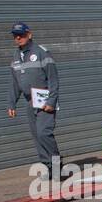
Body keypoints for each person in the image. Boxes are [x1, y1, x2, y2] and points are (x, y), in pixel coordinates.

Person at [6, 22, 60, 184]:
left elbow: (53, 79)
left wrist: (51, 100)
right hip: (30, 101)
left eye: (21, 35)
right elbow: (14, 83)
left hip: (45, 98)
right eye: (15, 35)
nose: (18, 38)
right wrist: (11, 104)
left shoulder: (42, 53)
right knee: (37, 136)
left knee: (44, 132)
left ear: (29, 34)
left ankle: (57, 166)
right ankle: (47, 166)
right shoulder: (16, 57)